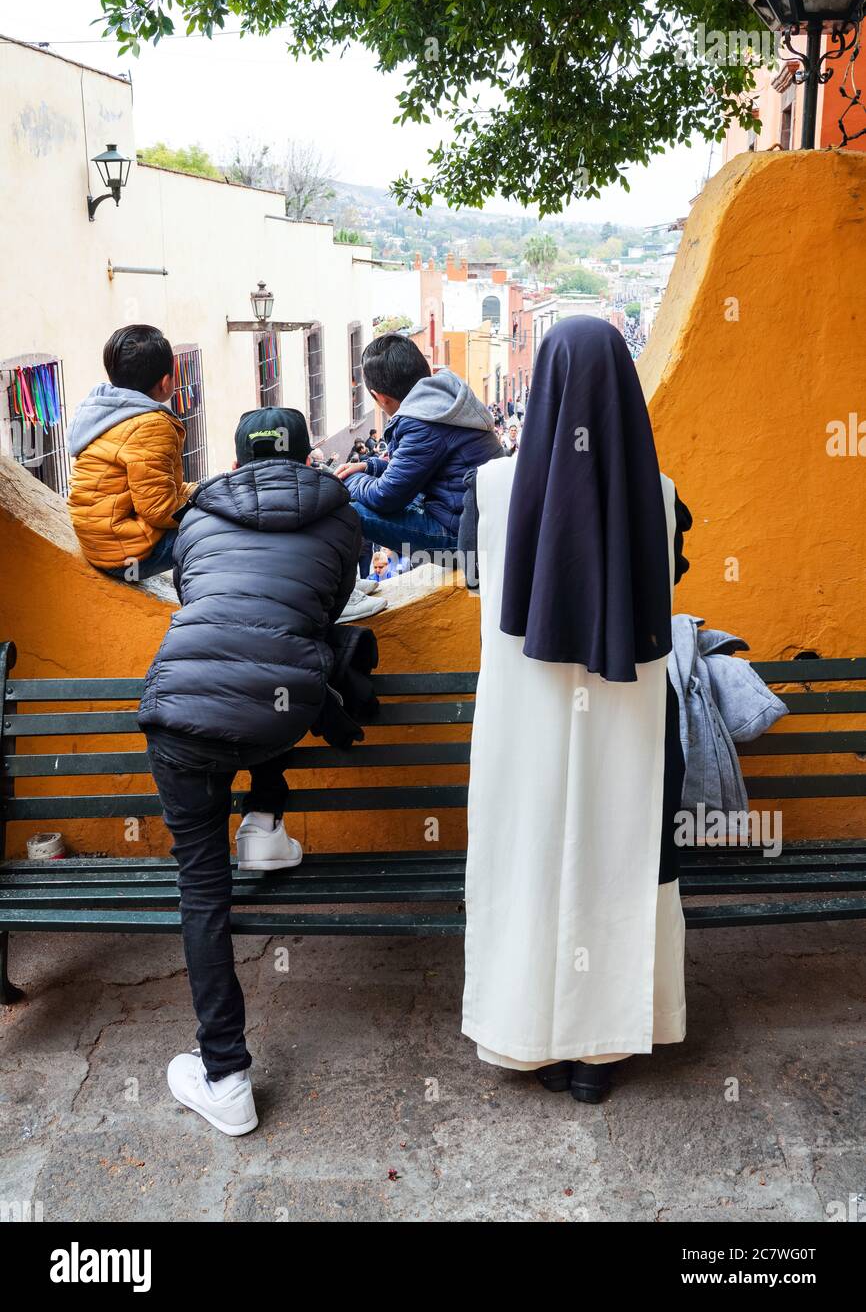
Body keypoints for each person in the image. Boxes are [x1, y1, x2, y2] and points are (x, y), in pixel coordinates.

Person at [458, 316, 689, 1106]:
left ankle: (529, 1038)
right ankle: (601, 1048)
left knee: (526, 859)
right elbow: (670, 580)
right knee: (613, 860)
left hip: (524, 718)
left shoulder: (490, 487)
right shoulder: (661, 498)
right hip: (626, 715)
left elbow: (473, 584)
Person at [138, 406, 362, 1135]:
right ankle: (266, 818)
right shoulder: (339, 517)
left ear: (235, 462)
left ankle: (226, 1074)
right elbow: (323, 610)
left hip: (177, 713)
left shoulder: (199, 519)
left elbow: (198, 600)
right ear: (306, 457)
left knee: (201, 889)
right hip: (277, 710)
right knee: (295, 668)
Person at [336, 333, 502, 560]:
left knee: (342, 510)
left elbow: (385, 497)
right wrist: (370, 468)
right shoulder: (443, 398)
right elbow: (415, 468)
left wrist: (348, 481)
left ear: (380, 397)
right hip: (480, 521)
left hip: (464, 537)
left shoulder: (422, 422)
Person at [67, 325, 196, 581]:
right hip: (123, 557)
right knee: (217, 532)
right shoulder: (150, 424)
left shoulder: (105, 407)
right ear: (166, 381)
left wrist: (200, 493)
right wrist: (203, 508)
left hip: (102, 541)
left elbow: (154, 489)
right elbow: (159, 509)